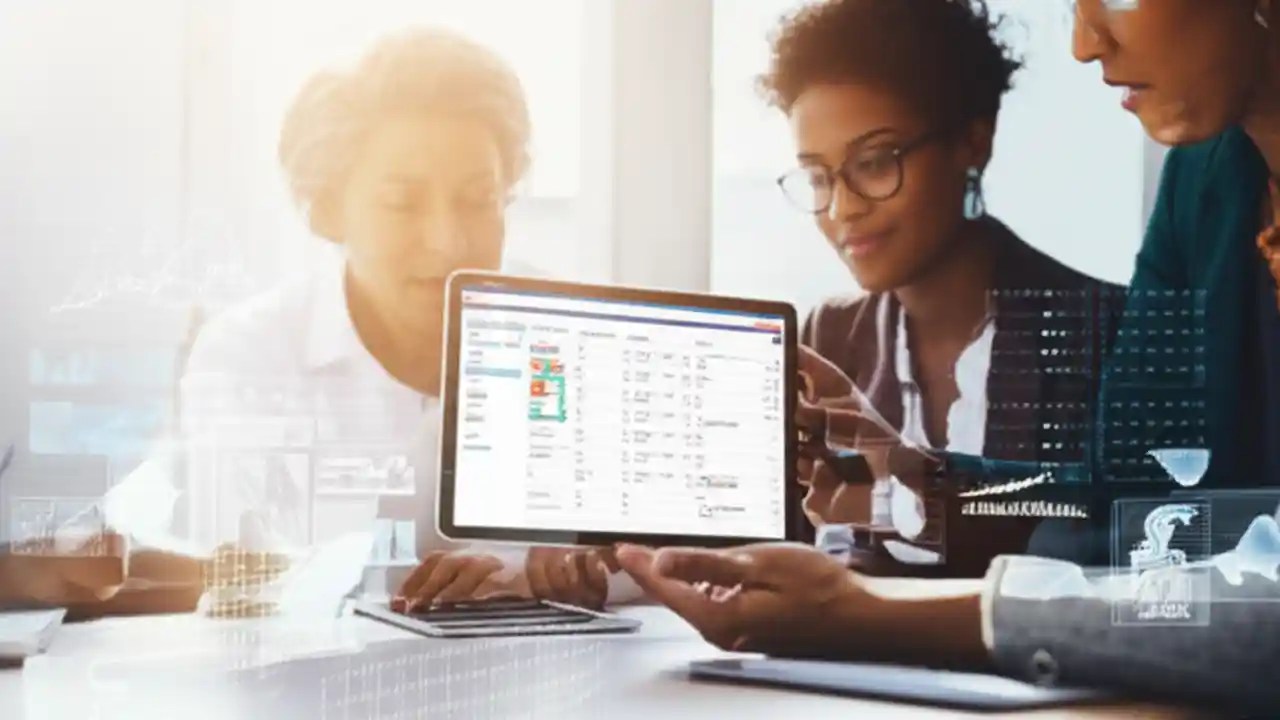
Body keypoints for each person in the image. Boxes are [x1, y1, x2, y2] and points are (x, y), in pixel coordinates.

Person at [626, 0, 1280, 706]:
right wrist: (917, 486)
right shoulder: (1204, 177)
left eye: (876, 161)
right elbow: (1122, 513)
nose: (1084, 46)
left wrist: (866, 614)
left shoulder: (1090, 314)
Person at [93, 28, 620, 614]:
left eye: (478, 199)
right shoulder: (249, 354)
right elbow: (244, 571)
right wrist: (508, 572)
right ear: (329, 209)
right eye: (402, 204)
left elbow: (668, 555)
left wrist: (573, 571)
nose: (448, 242)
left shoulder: (572, 337)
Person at [765, 0, 1119, 574]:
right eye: (817, 177)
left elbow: (1110, 542)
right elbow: (779, 550)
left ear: (972, 144)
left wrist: (899, 485)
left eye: (876, 163)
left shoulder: (1106, 335)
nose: (842, 208)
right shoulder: (830, 337)